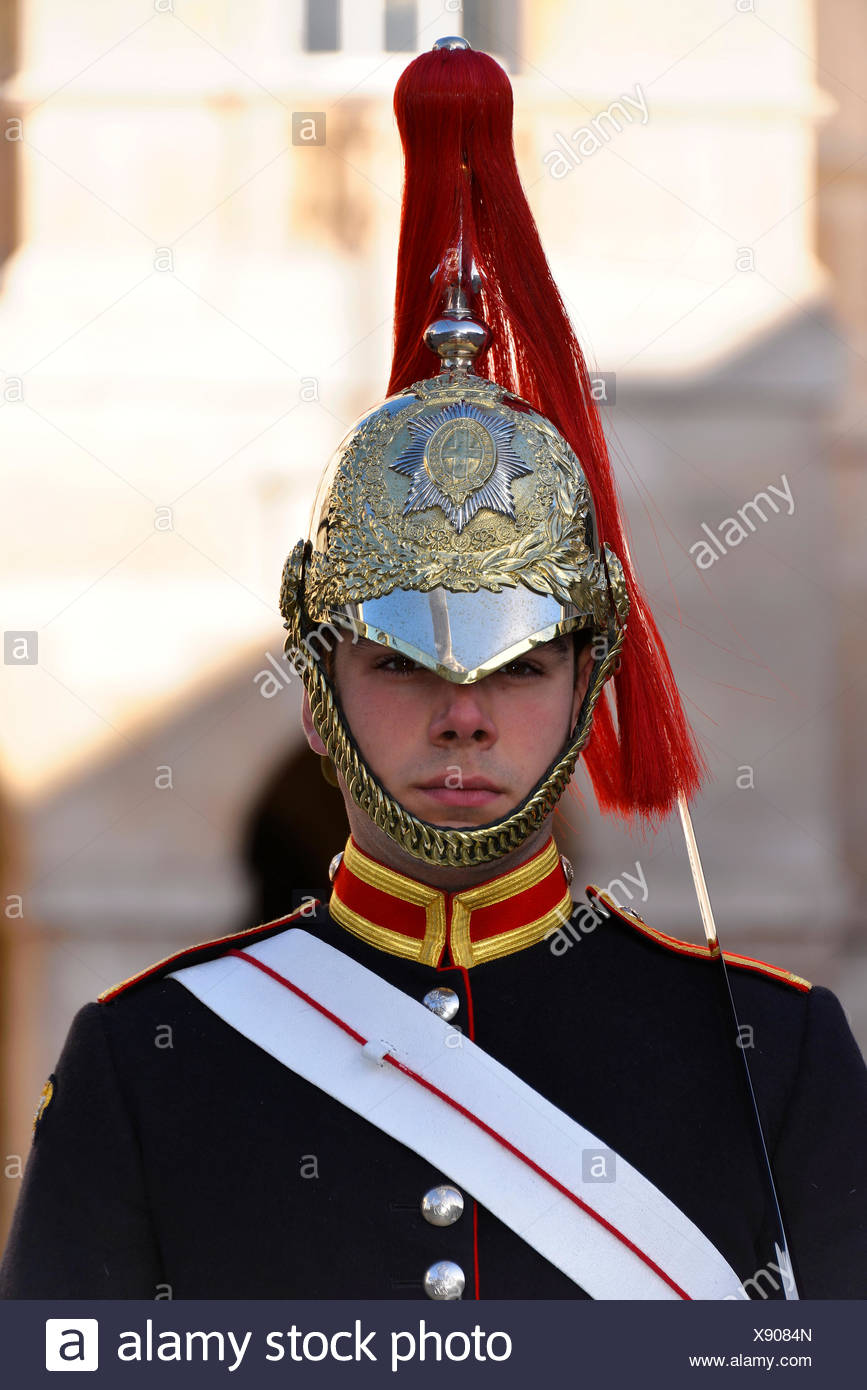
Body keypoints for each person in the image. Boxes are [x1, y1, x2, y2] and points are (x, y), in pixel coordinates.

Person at [1, 37, 865, 1303]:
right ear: (313, 681)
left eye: (517, 662)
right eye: (406, 658)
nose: (464, 714)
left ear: (590, 675)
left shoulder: (773, 1055)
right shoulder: (143, 1059)